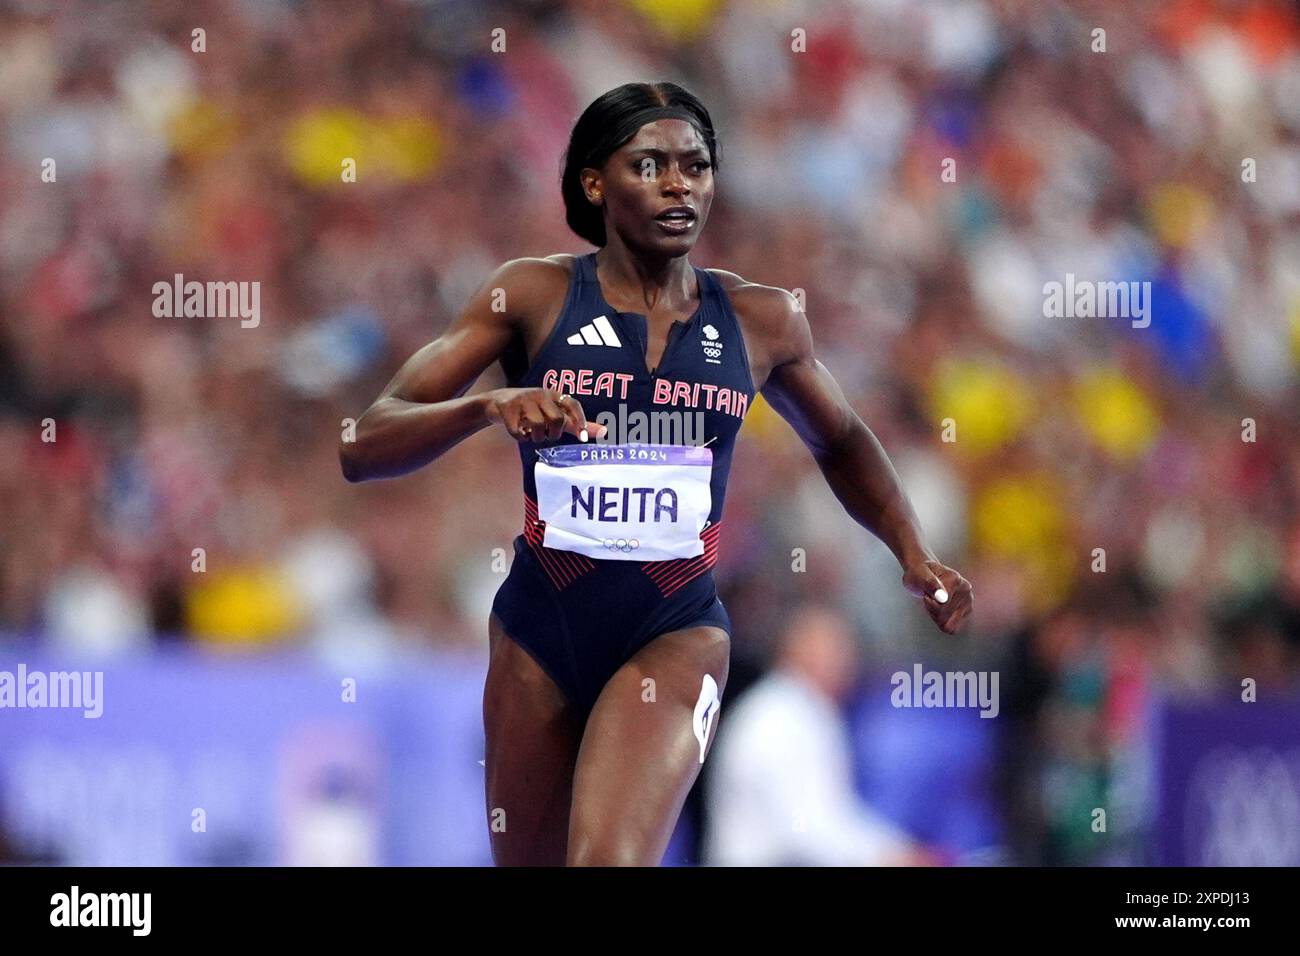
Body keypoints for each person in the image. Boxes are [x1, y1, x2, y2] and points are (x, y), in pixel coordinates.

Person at [340, 81, 973, 866]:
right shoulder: (529, 294)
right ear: (594, 183)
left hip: (674, 628)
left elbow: (840, 439)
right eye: (650, 164)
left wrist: (913, 552)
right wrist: (487, 407)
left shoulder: (760, 319)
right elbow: (363, 443)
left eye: (697, 166)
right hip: (542, 626)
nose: (680, 184)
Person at [703, 604, 939, 866]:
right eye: (836, 650)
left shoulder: (797, 708)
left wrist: (896, 851)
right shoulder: (782, 717)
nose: (848, 663)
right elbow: (805, 829)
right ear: (800, 649)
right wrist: (892, 856)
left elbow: (829, 817)